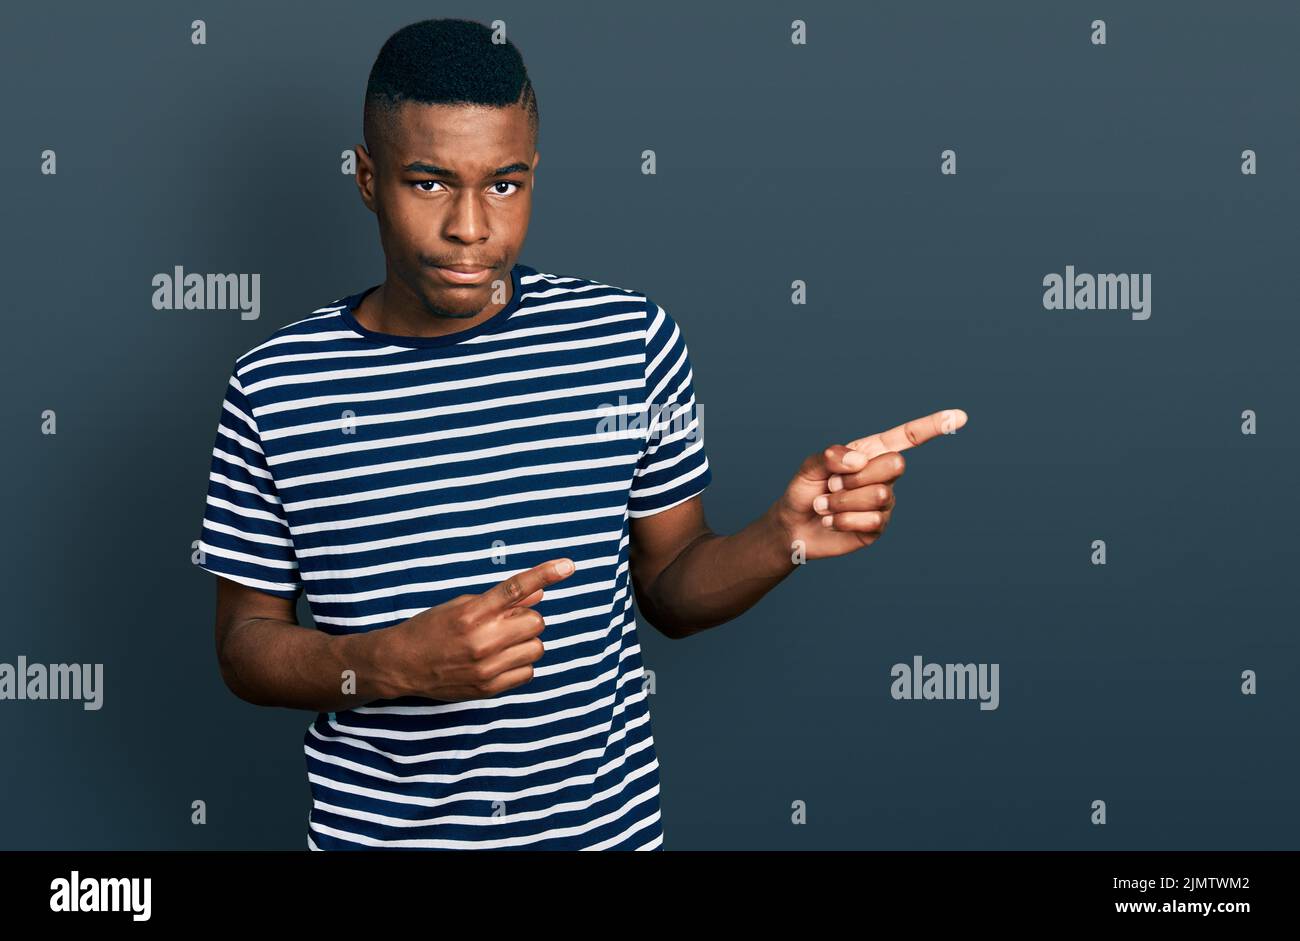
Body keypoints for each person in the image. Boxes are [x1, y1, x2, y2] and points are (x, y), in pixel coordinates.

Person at [197, 17, 967, 850]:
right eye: (429, 183)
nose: (470, 227)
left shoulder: (630, 342)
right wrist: (395, 663)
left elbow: (669, 584)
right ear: (366, 177)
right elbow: (245, 645)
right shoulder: (274, 384)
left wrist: (780, 540)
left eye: (504, 184)